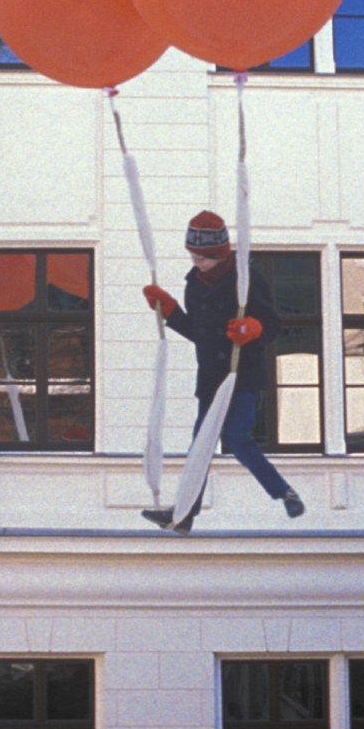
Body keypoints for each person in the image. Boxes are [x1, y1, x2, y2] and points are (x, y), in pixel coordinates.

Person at [140, 210, 305, 534]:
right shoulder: (194, 285)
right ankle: (184, 515)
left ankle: (284, 492)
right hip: (211, 377)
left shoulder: (247, 280)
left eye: (203, 258)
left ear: (220, 254)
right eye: (193, 256)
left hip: (240, 375)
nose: (197, 263)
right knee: (201, 445)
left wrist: (254, 328)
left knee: (237, 437)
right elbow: (198, 332)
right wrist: (171, 312)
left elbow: (273, 324)